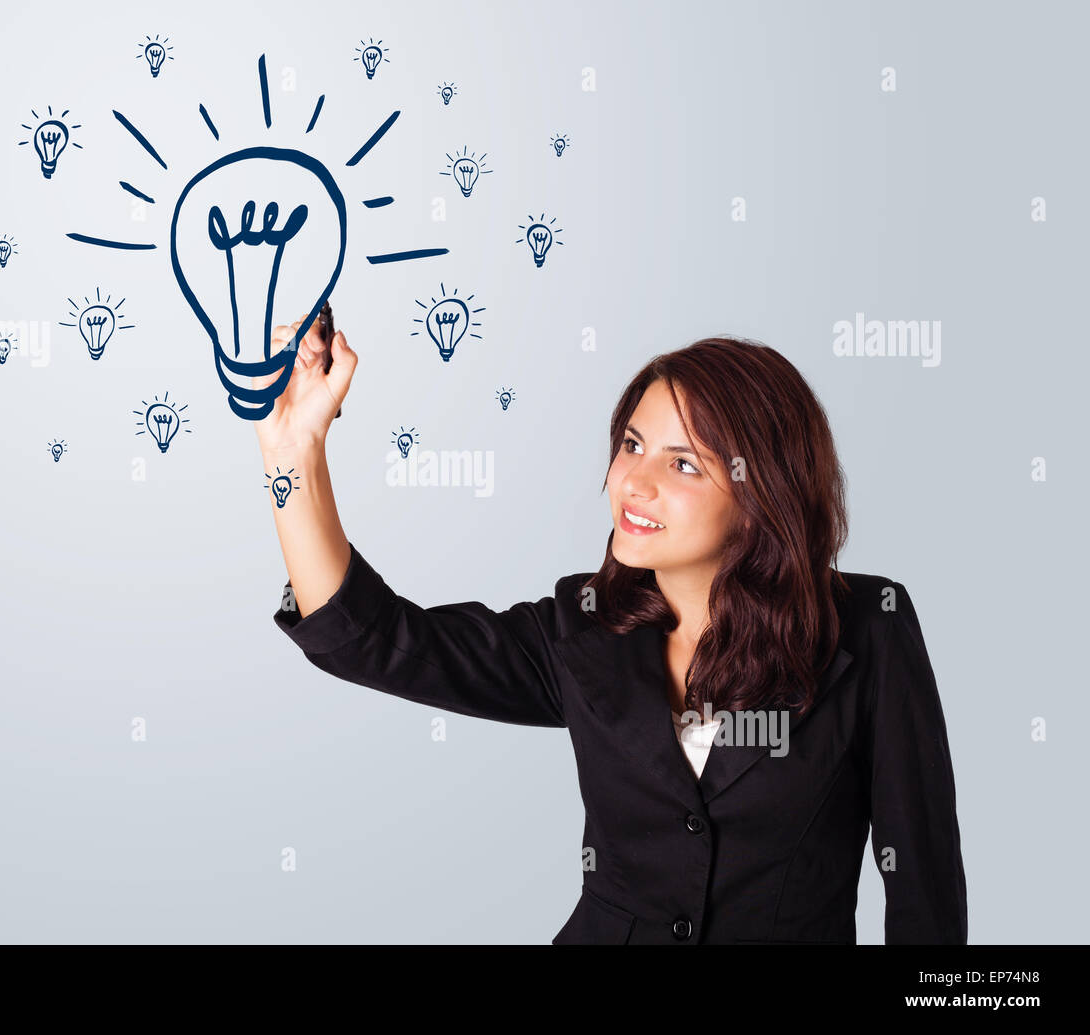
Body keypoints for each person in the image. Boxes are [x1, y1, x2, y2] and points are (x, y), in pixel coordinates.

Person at [252, 320, 967, 945]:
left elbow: (924, 892)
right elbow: (369, 639)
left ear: (762, 494)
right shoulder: (584, 626)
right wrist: (294, 455)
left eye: (682, 462)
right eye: (633, 443)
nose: (634, 480)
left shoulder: (870, 631)